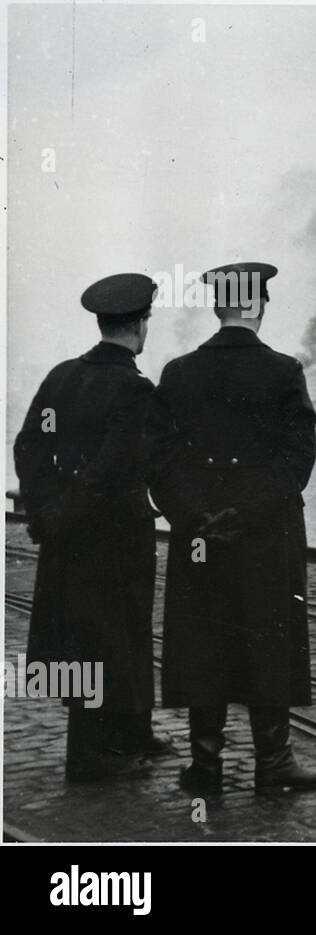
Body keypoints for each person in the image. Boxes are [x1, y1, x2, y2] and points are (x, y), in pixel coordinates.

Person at [148, 261, 316, 796]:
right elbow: (296, 458)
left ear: (218, 307)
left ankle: (204, 766)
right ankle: (273, 763)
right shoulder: (283, 371)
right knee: (269, 637)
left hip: (199, 539)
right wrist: (246, 513)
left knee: (203, 637)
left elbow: (158, 459)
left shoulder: (178, 373)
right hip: (265, 536)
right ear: (258, 306)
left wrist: (196, 516)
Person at [14, 272, 171, 781]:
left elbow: (30, 448)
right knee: (121, 634)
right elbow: (115, 468)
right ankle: (94, 755)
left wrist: (47, 512)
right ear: (140, 326)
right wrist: (66, 513)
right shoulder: (135, 389)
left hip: (68, 540)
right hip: (119, 535)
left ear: (102, 322)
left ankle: (131, 734)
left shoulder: (61, 378)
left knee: (85, 636)